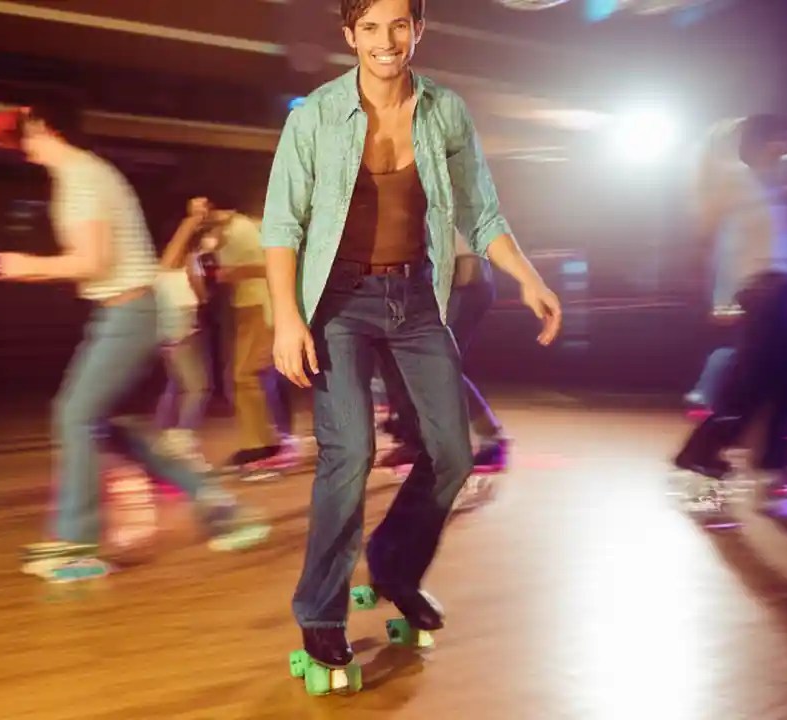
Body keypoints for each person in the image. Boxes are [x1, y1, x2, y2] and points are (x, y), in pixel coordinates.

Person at [261, 0, 561, 672]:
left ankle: (396, 567)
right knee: (351, 453)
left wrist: (529, 278)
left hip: (418, 299)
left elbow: (482, 212)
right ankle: (321, 611)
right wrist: (286, 316)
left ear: (418, 30)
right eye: (370, 28)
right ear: (349, 35)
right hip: (338, 302)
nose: (386, 41)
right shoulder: (313, 117)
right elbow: (281, 225)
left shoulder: (444, 111)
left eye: (399, 24)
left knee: (455, 451)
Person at [0, 105, 270, 582]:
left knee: (73, 415)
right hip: (120, 311)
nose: (16, 142)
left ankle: (76, 542)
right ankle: (219, 505)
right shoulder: (81, 174)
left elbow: (92, 260)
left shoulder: (82, 177)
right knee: (100, 424)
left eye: (21, 130)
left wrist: (25, 266)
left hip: (129, 312)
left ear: (45, 126)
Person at [673, 114, 787, 502]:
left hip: (783, 285)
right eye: (782, 137)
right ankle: (702, 452)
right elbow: (711, 235)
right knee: (751, 379)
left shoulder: (775, 183)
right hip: (761, 289)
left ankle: (775, 458)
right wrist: (711, 291)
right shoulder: (734, 177)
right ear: (763, 142)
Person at [377, 235, 508, 473]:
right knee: (428, 364)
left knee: (439, 366)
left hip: (465, 282)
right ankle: (417, 439)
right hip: (458, 282)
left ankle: (491, 439)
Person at [204, 202, 298, 467]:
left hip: (260, 307)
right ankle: (263, 441)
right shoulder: (230, 230)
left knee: (247, 375)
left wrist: (238, 272)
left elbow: (272, 266)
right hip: (249, 306)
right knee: (248, 376)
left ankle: (262, 444)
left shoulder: (241, 228)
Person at [153, 197, 215, 468]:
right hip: (177, 327)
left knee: (177, 385)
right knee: (198, 388)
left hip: (185, 324)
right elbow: (181, 241)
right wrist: (193, 218)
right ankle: (180, 445)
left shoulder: (188, 262)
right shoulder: (169, 263)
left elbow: (201, 296)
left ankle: (165, 441)